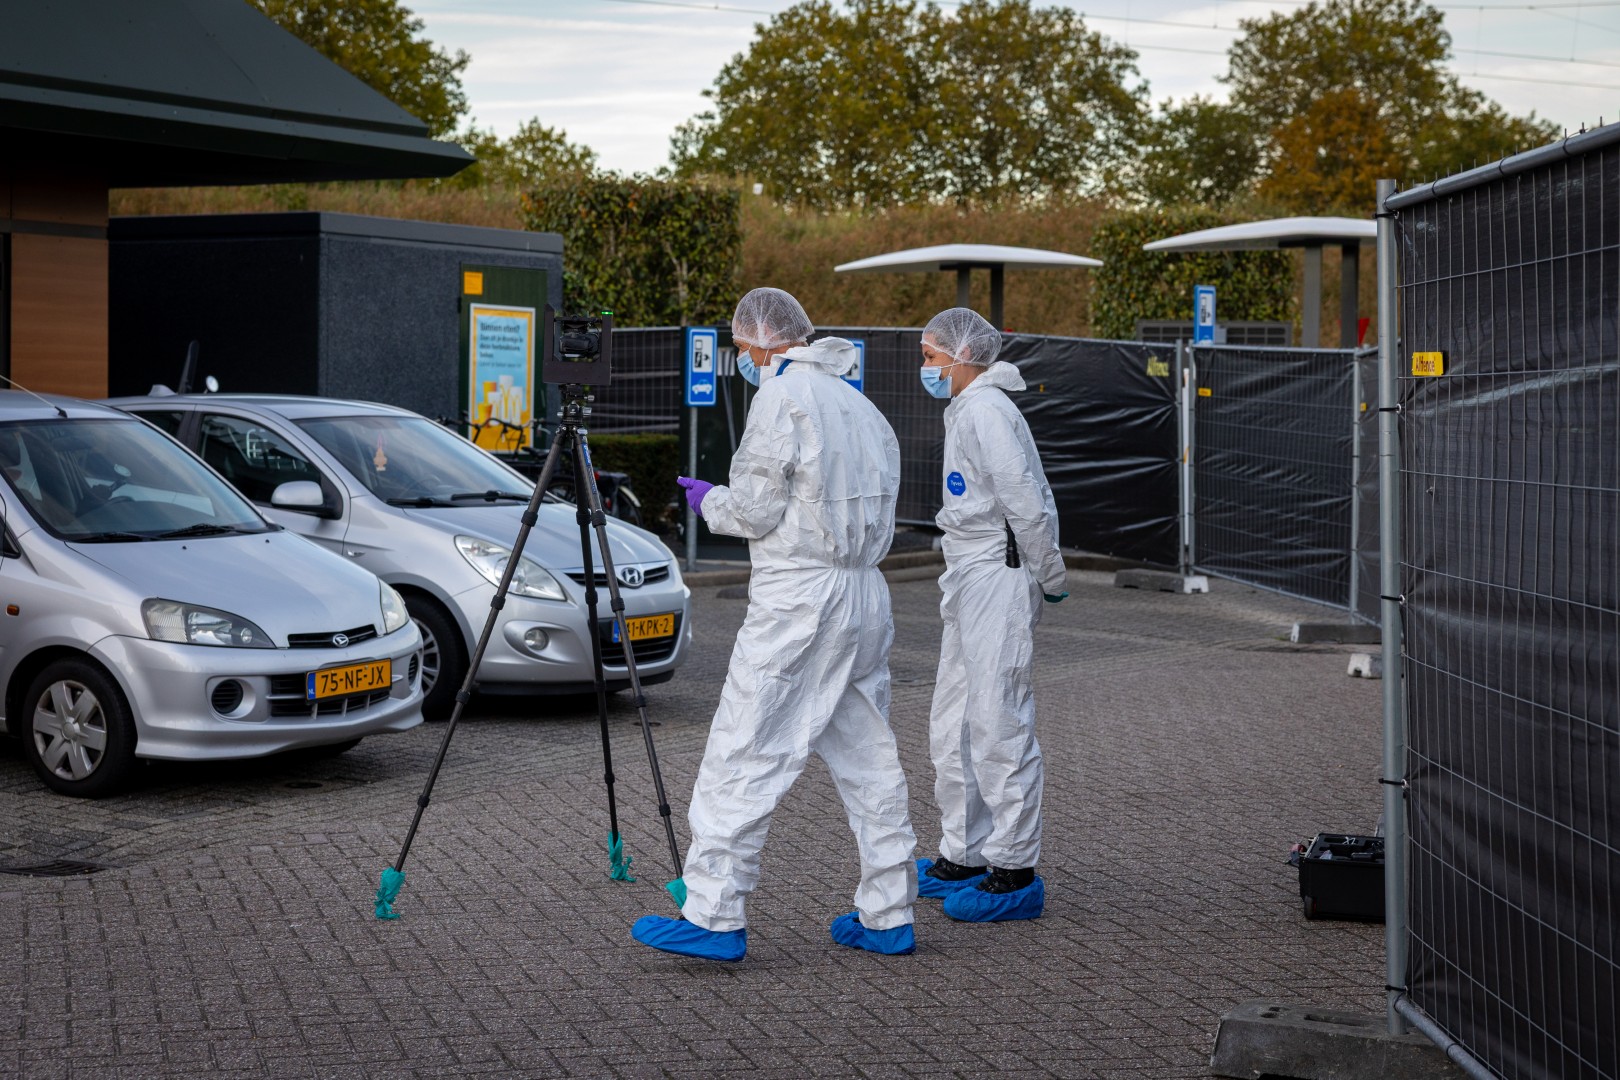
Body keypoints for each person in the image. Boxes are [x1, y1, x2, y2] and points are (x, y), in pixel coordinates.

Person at [631, 287, 918, 961]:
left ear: (761, 342)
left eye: (740, 347)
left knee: (746, 746)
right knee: (869, 756)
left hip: (801, 596)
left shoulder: (780, 397)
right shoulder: (861, 405)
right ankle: (888, 911)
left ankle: (713, 913)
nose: (742, 359)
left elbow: (757, 511)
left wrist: (710, 504)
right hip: (864, 593)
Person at [913, 307, 1067, 922]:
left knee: (997, 716)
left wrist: (1049, 573)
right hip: (971, 575)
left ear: (962, 354)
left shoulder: (988, 412)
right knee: (953, 719)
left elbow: (1026, 501)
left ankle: (1014, 866)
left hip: (999, 575)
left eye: (930, 356)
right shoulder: (969, 409)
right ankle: (966, 851)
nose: (925, 367)